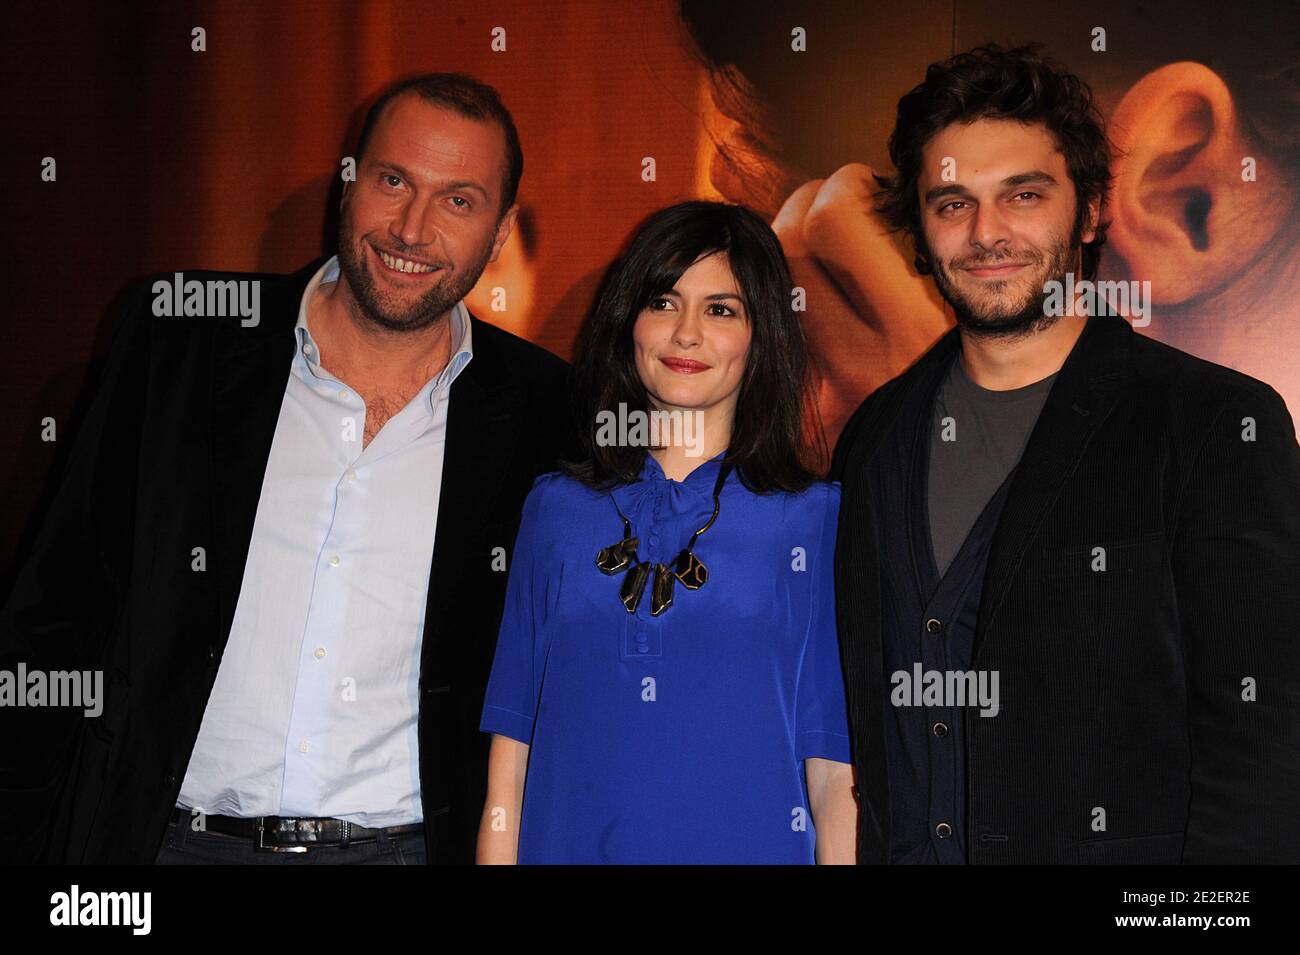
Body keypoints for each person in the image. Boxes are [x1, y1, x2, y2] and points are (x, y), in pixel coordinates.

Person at [0, 73, 572, 864]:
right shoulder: (181, 338)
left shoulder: (548, 410)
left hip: (403, 851)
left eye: (458, 201)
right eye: (394, 180)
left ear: (501, 230)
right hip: (166, 844)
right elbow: (53, 609)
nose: (411, 229)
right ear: (349, 183)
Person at [831, 45, 1300, 864]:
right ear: (919, 228)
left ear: (1088, 212)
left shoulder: (1216, 423)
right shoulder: (874, 435)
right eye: (951, 203)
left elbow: (1262, 745)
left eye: (1023, 194)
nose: (987, 234)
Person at [476, 200, 856, 864]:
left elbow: (832, 777)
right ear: (629, 322)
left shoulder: (817, 520)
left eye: (721, 309)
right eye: (663, 302)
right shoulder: (553, 510)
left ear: (760, 334)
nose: (686, 334)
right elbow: (510, 762)